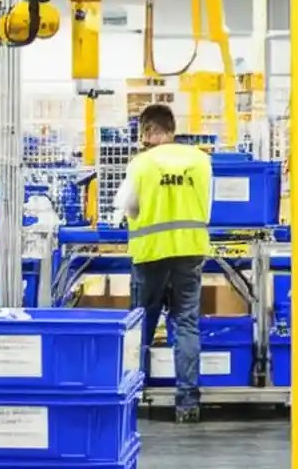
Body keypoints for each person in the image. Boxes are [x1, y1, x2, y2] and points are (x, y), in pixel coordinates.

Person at [110, 104, 212, 424]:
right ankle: (187, 402)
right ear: (172, 128)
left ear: (148, 131)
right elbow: (207, 207)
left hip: (151, 253)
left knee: (142, 325)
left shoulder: (141, 163)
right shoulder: (201, 160)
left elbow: (126, 207)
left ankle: (135, 395)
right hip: (189, 252)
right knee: (186, 324)